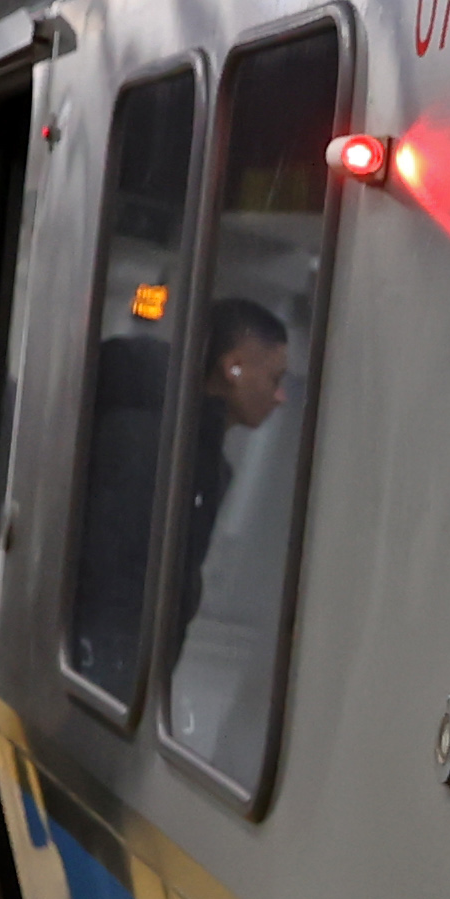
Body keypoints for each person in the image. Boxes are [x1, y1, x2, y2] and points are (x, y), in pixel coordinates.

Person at [159, 294, 297, 765]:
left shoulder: (201, 451)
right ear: (234, 367)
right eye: (274, 379)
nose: (280, 396)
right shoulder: (165, 447)